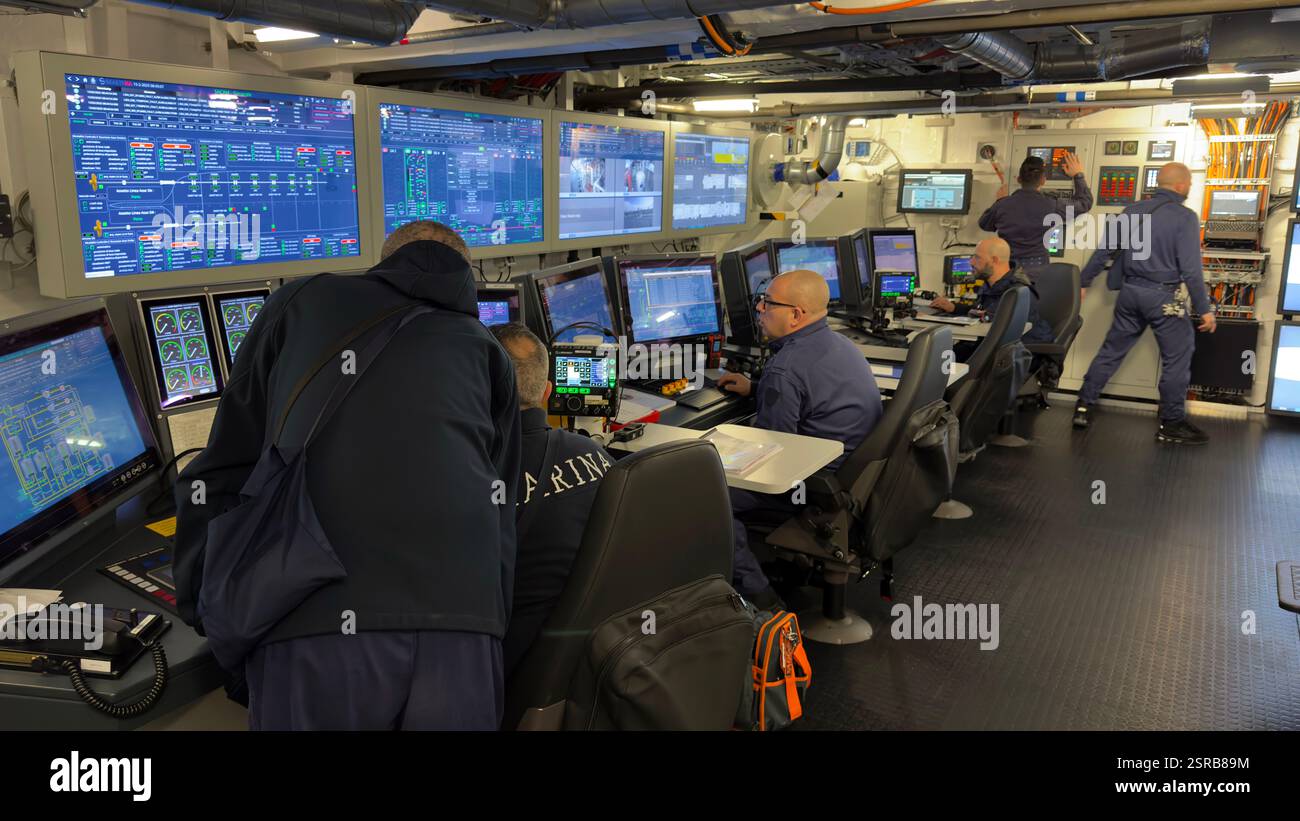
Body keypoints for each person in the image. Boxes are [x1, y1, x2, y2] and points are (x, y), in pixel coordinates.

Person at [174, 220, 522, 730]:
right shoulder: (488, 351)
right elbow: (503, 513)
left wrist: (204, 601)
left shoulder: (302, 300)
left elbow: (227, 461)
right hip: (462, 635)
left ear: (382, 263)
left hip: (315, 625)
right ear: (467, 276)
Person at [717, 269, 883, 606]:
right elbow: (813, 394)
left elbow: (768, 461)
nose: (760, 310)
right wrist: (759, 390)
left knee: (707, 498)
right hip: (851, 479)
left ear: (796, 314)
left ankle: (761, 600)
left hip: (810, 487)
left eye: (768, 303)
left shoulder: (786, 368)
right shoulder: (838, 344)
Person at [488, 322, 614, 679]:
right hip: (595, 657)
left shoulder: (475, 475)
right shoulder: (594, 454)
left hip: (513, 665)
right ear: (546, 391)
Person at [1073, 162, 1216, 443]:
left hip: (1130, 293)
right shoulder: (1185, 218)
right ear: (1180, 185)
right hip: (1163, 297)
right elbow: (1191, 270)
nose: (1189, 188)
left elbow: (1104, 251)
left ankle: (1082, 406)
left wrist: (1083, 282)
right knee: (1178, 356)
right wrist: (1204, 310)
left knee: (1111, 350)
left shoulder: (1132, 211)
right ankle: (1172, 423)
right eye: (1189, 183)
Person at [929, 236, 1052, 359]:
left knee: (932, 359)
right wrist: (954, 307)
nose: (971, 262)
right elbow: (982, 311)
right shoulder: (992, 284)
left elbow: (988, 321)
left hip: (1016, 358)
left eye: (977, 257)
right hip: (994, 349)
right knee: (931, 355)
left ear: (994, 260)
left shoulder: (1017, 293)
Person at [979, 151, 1093, 269]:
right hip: (1038, 271)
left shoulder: (1002, 205)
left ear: (1018, 179)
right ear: (1043, 180)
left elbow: (984, 224)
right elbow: (1085, 203)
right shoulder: (1052, 206)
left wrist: (1000, 201)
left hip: (1008, 269)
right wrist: (1078, 175)